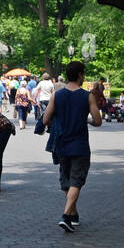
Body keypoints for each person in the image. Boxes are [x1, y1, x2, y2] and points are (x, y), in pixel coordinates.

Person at [42, 59, 101, 232]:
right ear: (80, 75)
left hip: (61, 144)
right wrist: (86, 120)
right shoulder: (87, 96)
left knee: (67, 181)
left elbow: (45, 119)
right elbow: (97, 121)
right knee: (76, 182)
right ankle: (66, 216)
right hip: (80, 145)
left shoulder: (57, 95)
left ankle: (73, 216)